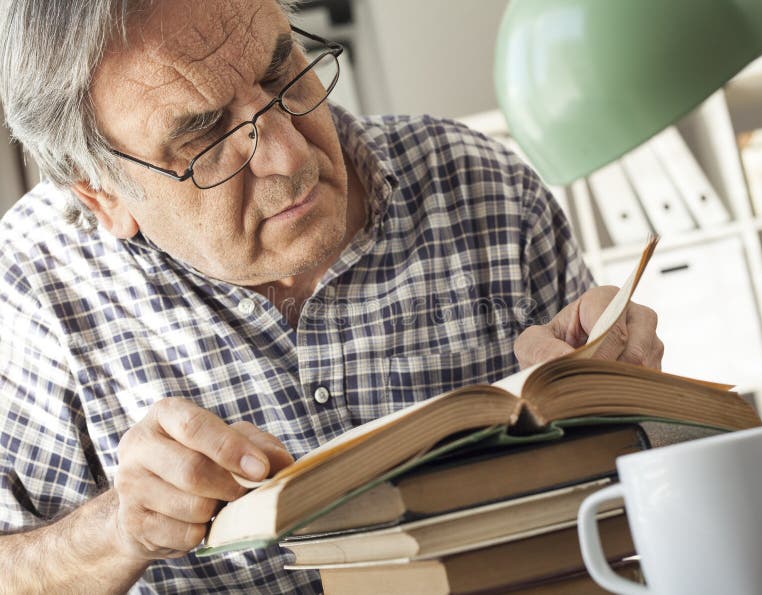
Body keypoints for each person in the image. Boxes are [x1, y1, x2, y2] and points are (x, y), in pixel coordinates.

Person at [0, 0, 662, 592]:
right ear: (102, 194)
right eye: (206, 137)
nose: (290, 156)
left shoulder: (483, 187)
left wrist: (625, 391)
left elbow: (640, 495)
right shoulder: (32, 292)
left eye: (283, 72)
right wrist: (118, 529)